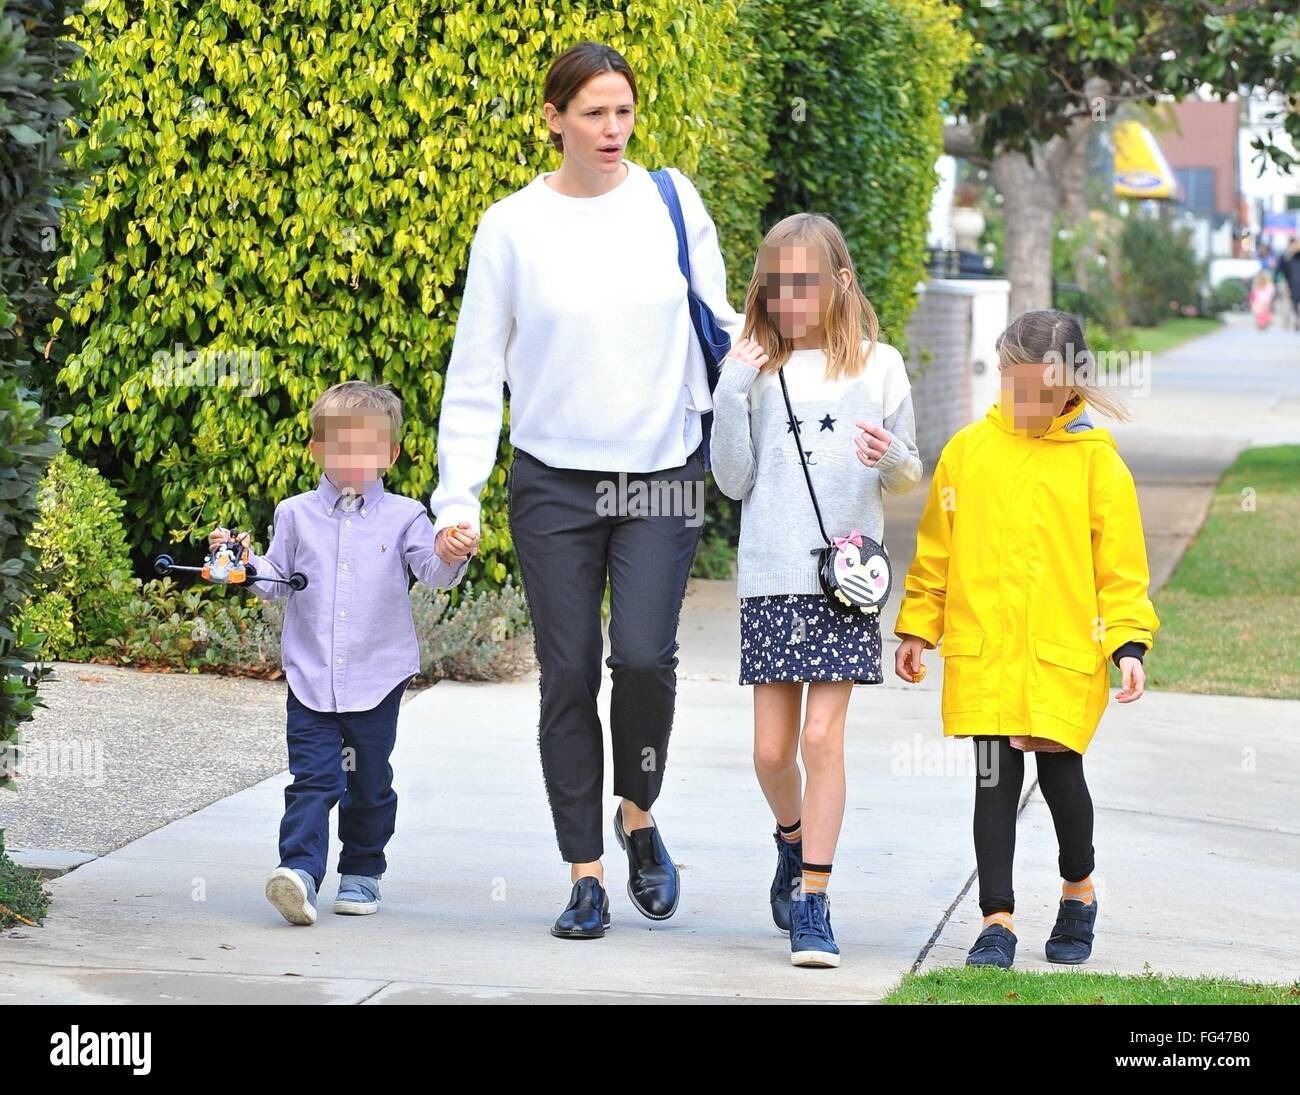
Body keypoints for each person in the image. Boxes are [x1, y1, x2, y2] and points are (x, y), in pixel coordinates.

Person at [428, 41, 743, 937]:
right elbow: (475, 371)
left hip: (662, 470)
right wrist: (460, 497)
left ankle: (637, 810)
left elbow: (718, 327)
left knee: (642, 657)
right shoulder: (511, 226)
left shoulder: (672, 203)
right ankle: (586, 872)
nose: (613, 129)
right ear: (553, 117)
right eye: (595, 112)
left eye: (624, 111)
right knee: (567, 674)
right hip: (554, 484)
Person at [895, 309, 1159, 969]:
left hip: (1060, 657)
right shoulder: (967, 453)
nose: (1023, 403)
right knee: (993, 779)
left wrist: (1128, 645)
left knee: (1061, 775)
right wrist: (919, 626)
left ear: (1070, 387)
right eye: (1014, 386)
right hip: (984, 652)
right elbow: (937, 554)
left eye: (1038, 392)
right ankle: (997, 919)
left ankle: (1079, 890)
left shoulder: (1100, 465)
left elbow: (1121, 574)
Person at [710, 214, 923, 967]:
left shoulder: (881, 365)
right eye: (776, 286)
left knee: (821, 737)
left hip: (847, 580)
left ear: (839, 282)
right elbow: (731, 479)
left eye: (804, 284)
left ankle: (815, 901)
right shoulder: (754, 368)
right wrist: (733, 385)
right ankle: (791, 840)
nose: (788, 300)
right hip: (771, 576)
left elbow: (908, 474)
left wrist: (890, 452)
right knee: (772, 751)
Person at [210, 380, 475, 925]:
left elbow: (433, 571)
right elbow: (276, 579)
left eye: (368, 448)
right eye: (340, 447)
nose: (353, 459)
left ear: (391, 454)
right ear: (317, 450)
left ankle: (362, 869)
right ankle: (300, 874)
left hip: (377, 677)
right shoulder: (295, 513)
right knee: (313, 778)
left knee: (369, 781)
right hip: (310, 676)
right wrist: (241, 563)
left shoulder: (406, 515)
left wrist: (449, 551)